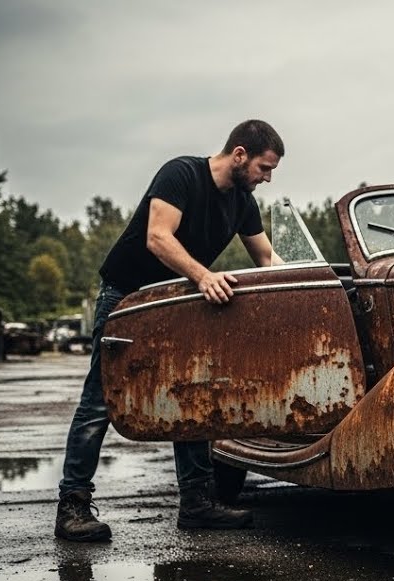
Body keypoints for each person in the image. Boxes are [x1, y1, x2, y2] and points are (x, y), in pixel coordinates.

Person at [55, 119, 284, 542]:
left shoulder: (242, 201)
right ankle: (72, 507)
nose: (266, 178)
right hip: (127, 296)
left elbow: (267, 260)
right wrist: (202, 276)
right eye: (264, 168)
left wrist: (304, 286)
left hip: (178, 301)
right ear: (239, 154)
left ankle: (196, 503)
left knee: (191, 394)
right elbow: (158, 238)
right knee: (101, 399)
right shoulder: (181, 173)